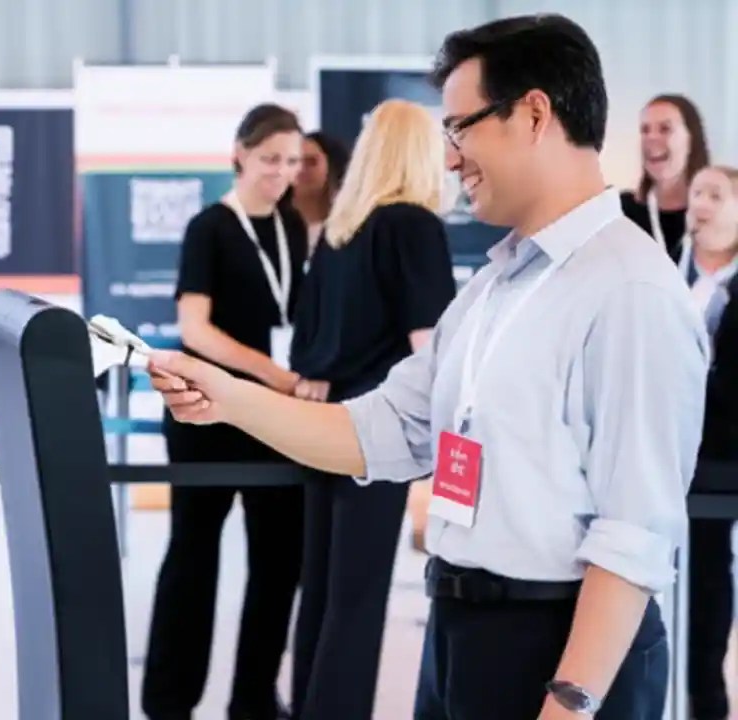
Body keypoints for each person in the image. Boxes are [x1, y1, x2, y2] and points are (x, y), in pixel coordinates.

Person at [147, 14, 707, 719]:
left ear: (534, 114)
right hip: (460, 631)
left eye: (460, 128)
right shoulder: (496, 284)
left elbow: (635, 533)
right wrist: (228, 398)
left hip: (559, 651)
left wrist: (570, 699)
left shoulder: (630, 290)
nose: (449, 159)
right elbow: (382, 430)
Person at [287, 99, 455, 720]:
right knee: (357, 598)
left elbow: (306, 343)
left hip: (320, 425)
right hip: (376, 433)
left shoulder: (339, 232)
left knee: (323, 591)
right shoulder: (414, 226)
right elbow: (429, 345)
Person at [141, 103, 307, 720]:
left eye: (291, 161)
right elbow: (196, 329)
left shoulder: (293, 226)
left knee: (278, 561)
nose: (281, 172)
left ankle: (254, 699)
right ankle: (168, 701)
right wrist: (273, 373)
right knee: (193, 552)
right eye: (270, 159)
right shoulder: (209, 227)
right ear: (239, 154)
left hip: (272, 418)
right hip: (205, 412)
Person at [679, 165, 738, 720]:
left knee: (708, 581)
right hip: (667, 457)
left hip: (720, 465)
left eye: (716, 194)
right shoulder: (668, 274)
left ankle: (706, 698)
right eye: (697, 192)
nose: (701, 203)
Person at [620, 94, 710, 263]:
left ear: (691, 140)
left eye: (665, 129)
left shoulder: (719, 215)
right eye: (645, 130)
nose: (651, 138)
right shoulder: (621, 212)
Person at [285, 130, 350, 254]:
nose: (300, 169)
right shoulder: (271, 233)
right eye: (293, 161)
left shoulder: (352, 233)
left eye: (311, 162)